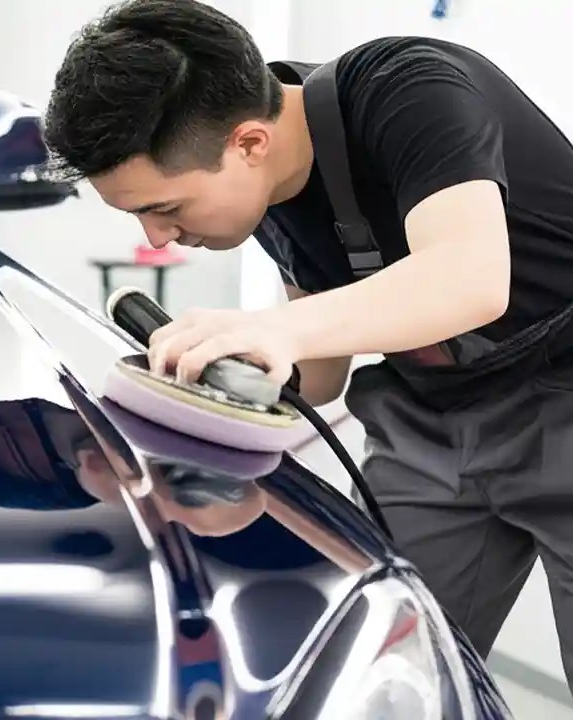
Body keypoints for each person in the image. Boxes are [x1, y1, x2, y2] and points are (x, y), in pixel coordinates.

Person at [40, 0, 573, 684]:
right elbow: (317, 379)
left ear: (250, 143)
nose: (156, 238)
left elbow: (470, 279)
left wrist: (269, 326)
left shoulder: (408, 88)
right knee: (376, 670)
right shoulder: (269, 194)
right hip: (430, 421)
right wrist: (199, 397)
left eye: (165, 208)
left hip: (562, 395)